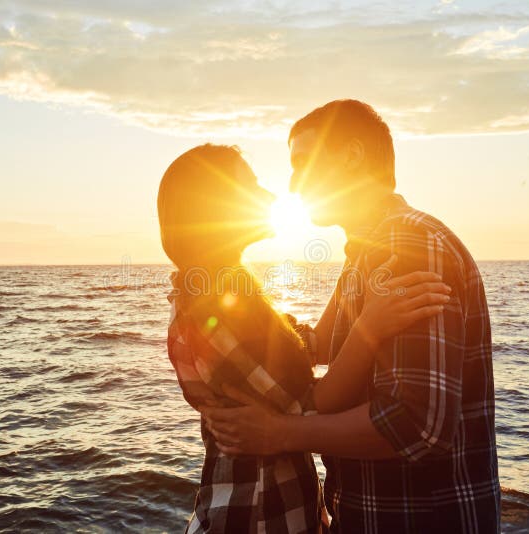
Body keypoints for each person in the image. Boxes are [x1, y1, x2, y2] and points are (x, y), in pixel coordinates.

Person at [201, 100, 502, 533]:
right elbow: (317, 345)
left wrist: (280, 432)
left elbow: (416, 424)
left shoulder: (409, 243)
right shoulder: (366, 253)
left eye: (303, 163)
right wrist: (229, 331)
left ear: (352, 155)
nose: (293, 183)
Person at [158, 143, 451, 533]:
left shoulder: (228, 295)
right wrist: (370, 328)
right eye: (251, 187)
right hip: (254, 517)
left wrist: (358, 256)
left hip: (272, 510)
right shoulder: (213, 309)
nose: (269, 196)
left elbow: (307, 347)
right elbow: (313, 405)